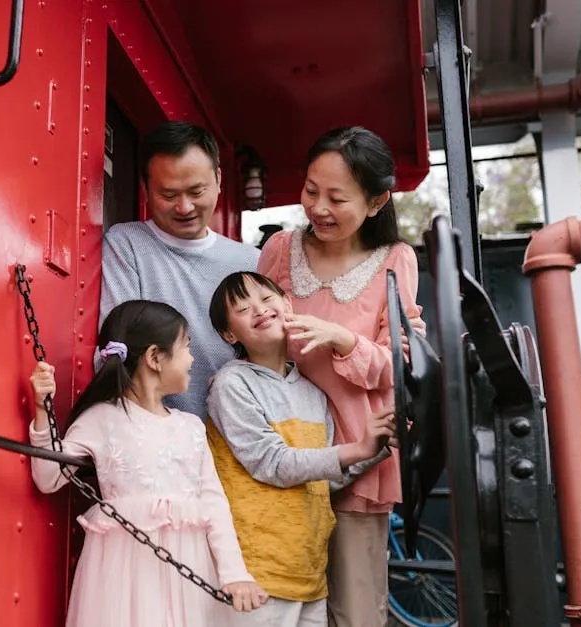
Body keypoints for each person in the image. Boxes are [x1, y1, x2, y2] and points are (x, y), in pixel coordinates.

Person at [257, 127, 426, 627]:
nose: (318, 207)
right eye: (311, 190)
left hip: (360, 450)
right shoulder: (280, 248)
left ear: (376, 202)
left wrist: (345, 340)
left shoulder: (396, 260)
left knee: (353, 608)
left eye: (337, 197)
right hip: (280, 445)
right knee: (274, 602)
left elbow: (406, 360)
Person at [28, 299, 268, 627]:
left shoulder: (190, 426)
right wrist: (43, 412)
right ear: (156, 357)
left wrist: (234, 573)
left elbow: (214, 506)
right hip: (122, 579)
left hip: (188, 575)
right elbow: (47, 477)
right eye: (186, 347)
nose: (192, 358)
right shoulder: (102, 419)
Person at [205, 271, 396, 627]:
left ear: (288, 304)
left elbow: (321, 481)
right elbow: (272, 464)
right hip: (257, 569)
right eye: (243, 308)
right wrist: (358, 448)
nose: (259, 310)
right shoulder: (232, 384)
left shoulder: (312, 391)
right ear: (229, 334)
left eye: (265, 299)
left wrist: (380, 446)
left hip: (309, 571)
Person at [99, 120, 260, 420]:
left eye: (196, 191)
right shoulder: (127, 245)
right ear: (145, 188)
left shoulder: (251, 262)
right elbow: (118, 350)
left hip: (240, 437)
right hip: (156, 433)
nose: (184, 207)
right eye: (169, 195)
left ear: (219, 179)